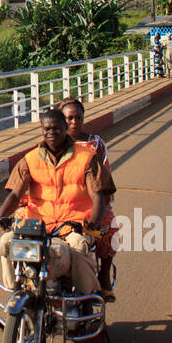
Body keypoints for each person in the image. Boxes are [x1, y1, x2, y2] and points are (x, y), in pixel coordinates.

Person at [0, 107, 102, 297]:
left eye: (56, 128)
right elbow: (15, 195)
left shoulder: (86, 158)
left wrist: (91, 224)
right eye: (47, 129)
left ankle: (87, 298)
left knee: (79, 247)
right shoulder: (30, 159)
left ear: (65, 128)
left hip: (73, 226)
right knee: (5, 243)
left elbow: (98, 197)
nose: (51, 133)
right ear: (42, 129)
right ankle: (14, 291)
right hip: (37, 227)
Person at [58, 97, 118, 300]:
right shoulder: (53, 142)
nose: (74, 122)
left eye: (78, 118)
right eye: (69, 118)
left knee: (109, 228)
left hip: (92, 202)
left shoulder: (95, 144)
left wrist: (100, 206)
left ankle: (104, 275)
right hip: (60, 203)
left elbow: (104, 179)